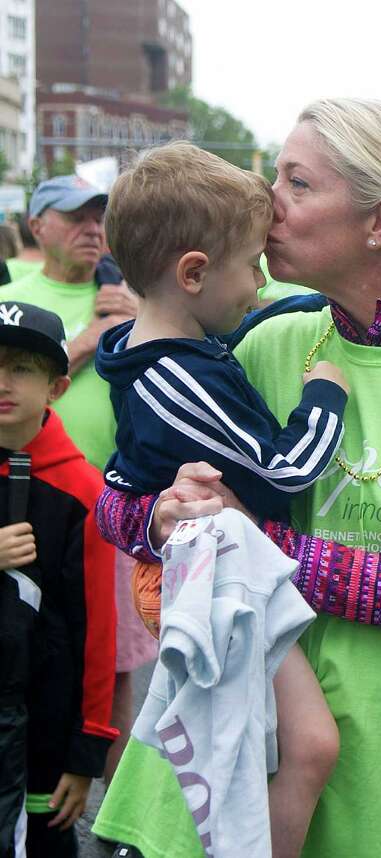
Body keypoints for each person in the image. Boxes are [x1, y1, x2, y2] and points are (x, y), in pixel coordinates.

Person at [91, 97, 381, 858]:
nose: (267, 200)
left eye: (297, 183)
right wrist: (160, 519)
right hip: (213, 783)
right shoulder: (257, 336)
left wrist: (259, 546)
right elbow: (117, 498)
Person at [96, 141, 350, 856]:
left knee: (275, 750)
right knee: (305, 749)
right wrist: (326, 394)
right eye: (251, 268)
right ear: (195, 272)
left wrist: (313, 304)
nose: (259, 287)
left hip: (209, 570)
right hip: (210, 580)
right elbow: (290, 467)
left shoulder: (165, 348)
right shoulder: (175, 380)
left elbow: (244, 322)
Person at [0, 176, 154, 786]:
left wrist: (145, 323)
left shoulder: (125, 293)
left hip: (105, 498)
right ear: (38, 226)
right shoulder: (13, 287)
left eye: (99, 218)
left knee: (107, 653)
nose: (93, 229)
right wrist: (90, 339)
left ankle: (94, 789)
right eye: (75, 217)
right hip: (23, 491)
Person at [0, 302, 116, 857]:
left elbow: (96, 628)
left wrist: (87, 746)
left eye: (22, 367)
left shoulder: (82, 490)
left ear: (57, 387)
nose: (3, 382)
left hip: (44, 730)